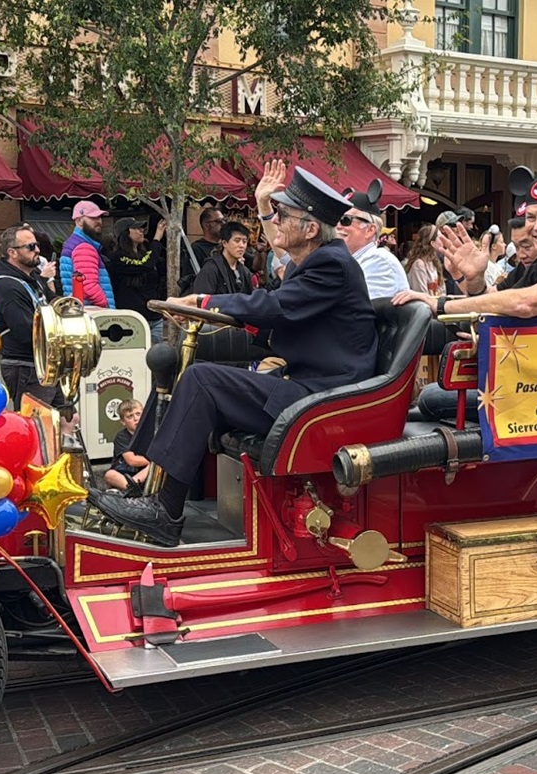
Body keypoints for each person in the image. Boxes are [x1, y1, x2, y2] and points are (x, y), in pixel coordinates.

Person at [91, 166, 376, 546]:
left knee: (202, 379)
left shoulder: (331, 265)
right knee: (198, 375)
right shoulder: (312, 262)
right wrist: (210, 311)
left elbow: (276, 305)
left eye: (284, 216)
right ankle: (149, 485)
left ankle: (165, 510)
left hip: (325, 396)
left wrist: (201, 300)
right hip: (308, 385)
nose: (276, 222)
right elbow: (282, 319)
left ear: (310, 229)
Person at [395, 158, 537, 319]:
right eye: (531, 217)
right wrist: (474, 279)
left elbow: (524, 303)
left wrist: (439, 305)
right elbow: (492, 300)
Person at [0, 224, 58, 408]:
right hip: (25, 366)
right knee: (36, 425)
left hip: (43, 363)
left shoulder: (32, 276)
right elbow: (25, 331)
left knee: (66, 419)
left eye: (36, 245)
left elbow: (53, 303)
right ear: (12, 252)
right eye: (30, 247)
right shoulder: (7, 286)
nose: (37, 250)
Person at [337, 180, 409, 299]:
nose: (338, 226)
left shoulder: (378, 261)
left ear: (370, 230)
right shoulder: (350, 260)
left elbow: (355, 310)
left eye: (346, 220)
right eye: (336, 219)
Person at [106, 216, 166, 331]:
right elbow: (145, 264)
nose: (142, 231)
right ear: (126, 233)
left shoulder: (145, 253)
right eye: (137, 228)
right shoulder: (118, 257)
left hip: (154, 318)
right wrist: (157, 237)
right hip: (132, 320)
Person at [60, 200, 112, 308]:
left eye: (99, 217)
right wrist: (107, 307)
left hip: (79, 310)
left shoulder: (75, 243)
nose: (99, 221)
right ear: (79, 221)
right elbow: (89, 286)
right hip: (92, 314)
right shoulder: (84, 247)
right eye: (93, 218)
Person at [191, 221, 253, 296]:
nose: (241, 245)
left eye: (244, 241)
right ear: (224, 243)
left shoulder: (244, 271)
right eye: (237, 241)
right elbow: (200, 299)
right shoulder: (211, 268)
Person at [103, 399, 150, 492]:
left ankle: (133, 487)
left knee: (155, 467)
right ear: (123, 422)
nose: (136, 418)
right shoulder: (122, 436)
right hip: (124, 473)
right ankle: (131, 487)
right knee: (109, 475)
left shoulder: (150, 433)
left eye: (138, 414)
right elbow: (132, 460)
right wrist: (152, 460)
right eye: (130, 416)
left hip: (144, 473)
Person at [403, 224, 441, 294]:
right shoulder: (419, 264)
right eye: (440, 238)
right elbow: (421, 294)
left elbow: (441, 289)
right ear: (432, 242)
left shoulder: (433, 262)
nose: (443, 240)